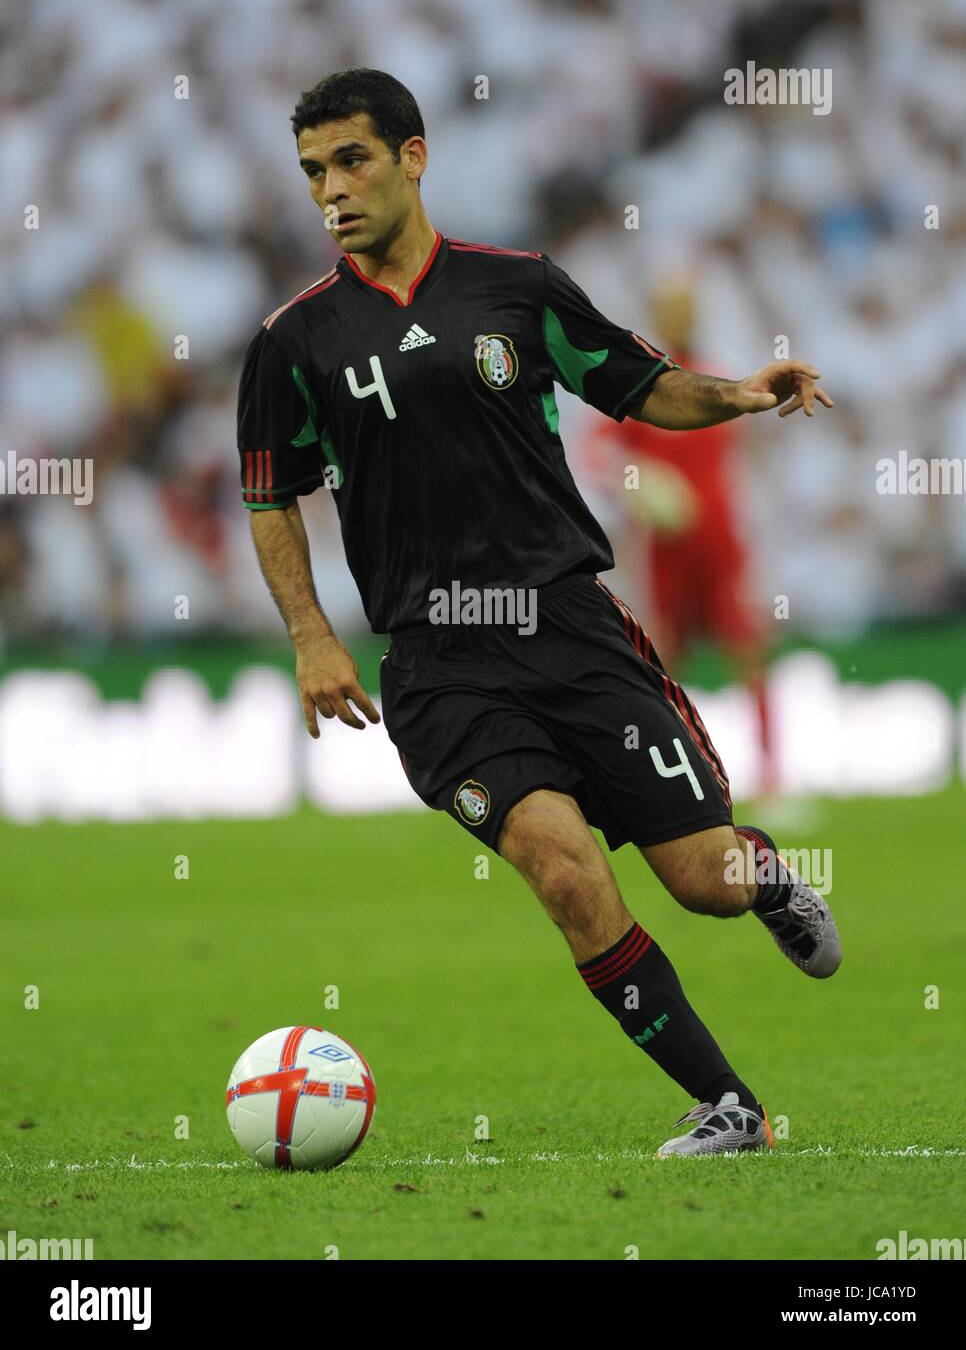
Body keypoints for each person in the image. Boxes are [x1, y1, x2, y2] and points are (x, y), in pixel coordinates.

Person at [237, 68, 839, 1159]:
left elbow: (639, 383)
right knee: (564, 868)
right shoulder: (294, 343)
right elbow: (270, 493)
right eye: (314, 171)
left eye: (352, 160)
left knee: (704, 880)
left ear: (414, 156)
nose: (332, 187)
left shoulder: (516, 288)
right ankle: (729, 1104)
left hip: (568, 626)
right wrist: (312, 635)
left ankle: (767, 874)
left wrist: (742, 394)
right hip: (440, 666)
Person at [585, 278, 778, 796]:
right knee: (663, 659)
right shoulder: (649, 382)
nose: (679, 318)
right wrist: (638, 483)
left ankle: (772, 774)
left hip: (719, 541)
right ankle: (673, 777)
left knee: (747, 647)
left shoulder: (718, 375)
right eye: (671, 309)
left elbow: (747, 454)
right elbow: (598, 450)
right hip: (666, 548)